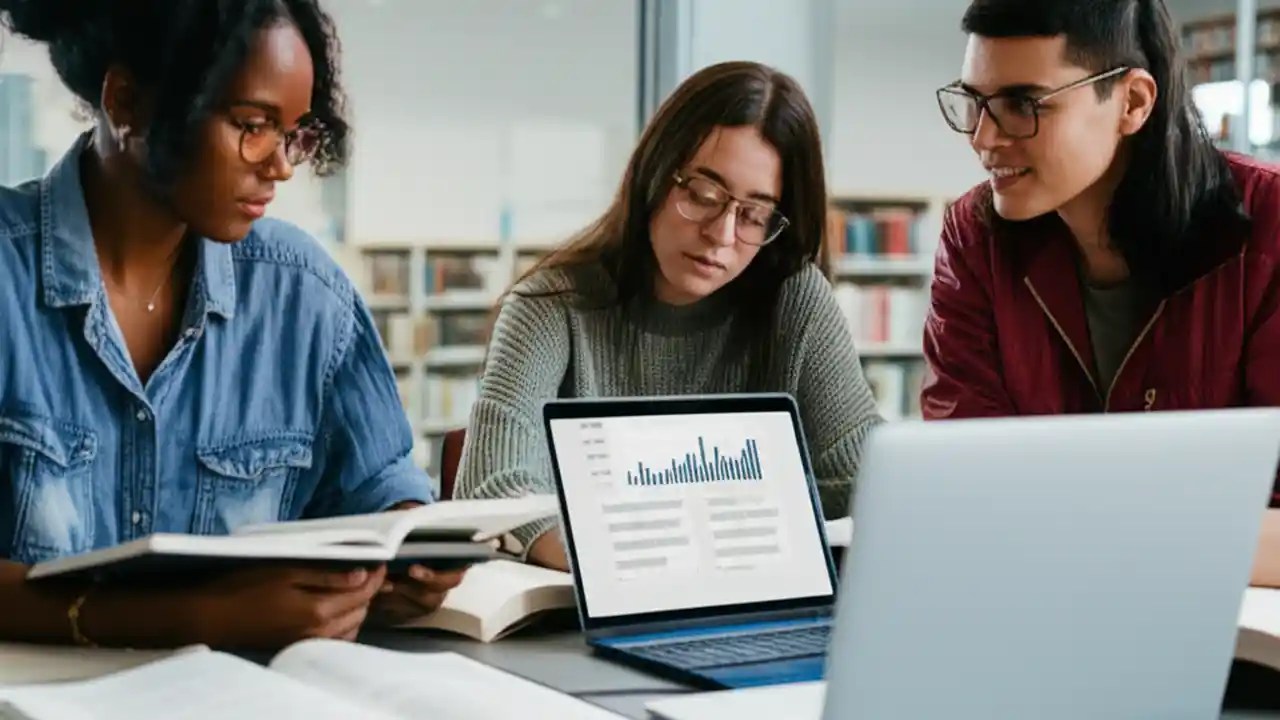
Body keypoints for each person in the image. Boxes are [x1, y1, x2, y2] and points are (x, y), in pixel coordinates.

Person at [0, 0, 464, 649]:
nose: (280, 165)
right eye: (251, 124)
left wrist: (409, 556)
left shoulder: (305, 296)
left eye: (295, 132)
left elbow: (380, 488)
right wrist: (194, 620)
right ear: (127, 103)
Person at [453, 61, 884, 572]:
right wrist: (655, 555)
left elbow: (870, 484)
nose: (721, 235)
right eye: (703, 195)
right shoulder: (550, 305)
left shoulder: (796, 301)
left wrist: (695, 532)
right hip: (581, 615)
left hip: (746, 608)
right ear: (655, 173)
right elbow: (492, 484)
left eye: (753, 215)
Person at [922, 0, 1279, 586]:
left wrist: (1092, 528)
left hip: (1231, 635)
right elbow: (972, 486)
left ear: (1133, 102)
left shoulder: (1270, 225)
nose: (983, 138)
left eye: (1022, 105)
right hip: (1046, 606)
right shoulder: (974, 236)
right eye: (975, 102)